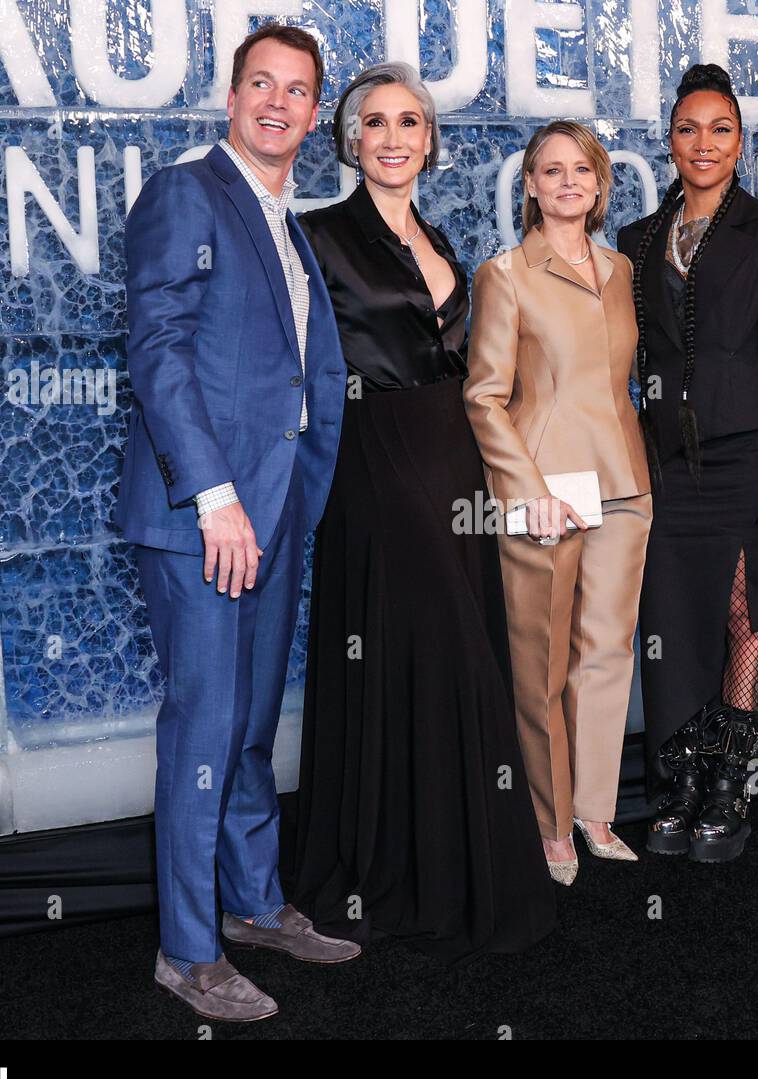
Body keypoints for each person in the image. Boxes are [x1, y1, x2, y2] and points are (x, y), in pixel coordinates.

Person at [116, 24, 358, 1022]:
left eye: (296, 91)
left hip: (273, 512)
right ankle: (186, 948)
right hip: (202, 519)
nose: (276, 103)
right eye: (261, 84)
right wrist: (214, 496)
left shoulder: (283, 218)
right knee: (205, 728)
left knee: (252, 722)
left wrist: (272, 500)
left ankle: (255, 902)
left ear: (312, 113)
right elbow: (158, 353)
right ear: (231, 96)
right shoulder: (185, 194)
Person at [290, 63, 555, 960]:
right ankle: (400, 870)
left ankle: (445, 861)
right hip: (375, 461)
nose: (394, 137)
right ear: (349, 138)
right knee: (428, 654)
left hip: (453, 462)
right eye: (376, 122)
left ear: (430, 141)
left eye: (411, 121)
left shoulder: (441, 236)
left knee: (453, 649)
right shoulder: (313, 236)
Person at [617, 64, 758, 864]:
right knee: (675, 624)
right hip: (670, 469)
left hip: (752, 462)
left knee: (748, 615)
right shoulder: (635, 241)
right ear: (669, 140)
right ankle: (679, 785)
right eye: (688, 129)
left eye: (721, 129)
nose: (703, 144)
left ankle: (729, 788)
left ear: (741, 142)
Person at [465, 121, 651, 885]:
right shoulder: (504, 274)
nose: (568, 182)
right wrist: (526, 491)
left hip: (626, 486)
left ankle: (595, 813)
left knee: (606, 657)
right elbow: (483, 396)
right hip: (544, 494)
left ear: (600, 185)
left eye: (582, 169)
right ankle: (549, 823)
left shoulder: (620, 268)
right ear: (531, 187)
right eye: (551, 170)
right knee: (542, 664)